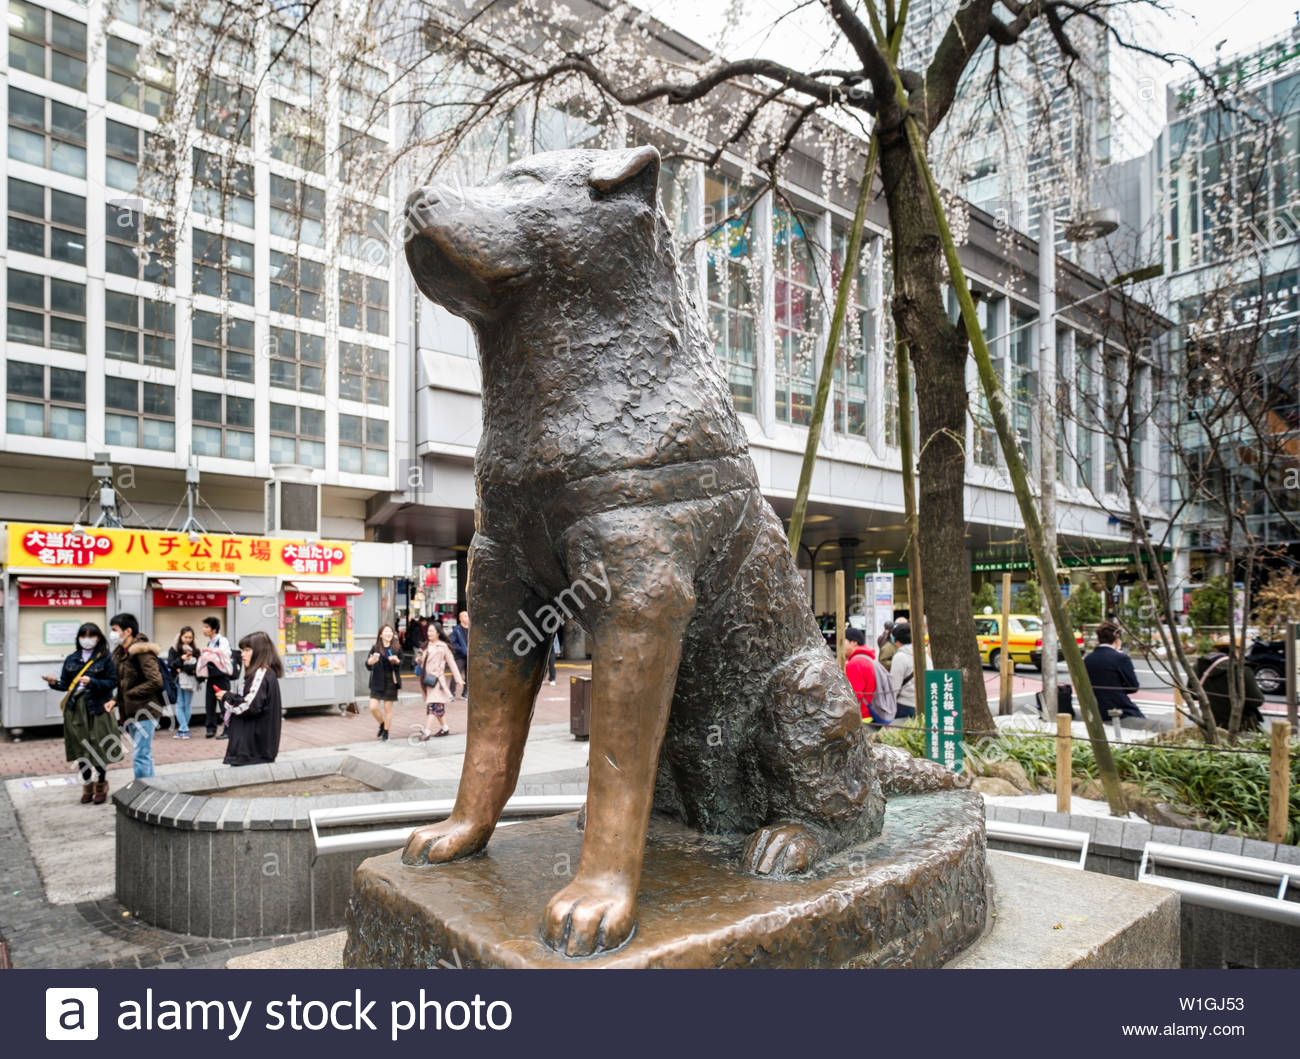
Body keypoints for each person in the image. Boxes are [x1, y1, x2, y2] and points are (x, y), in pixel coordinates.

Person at [43, 623, 118, 804]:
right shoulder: (71, 659)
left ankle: (100, 784)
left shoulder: (105, 658)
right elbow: (65, 685)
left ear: (98, 638)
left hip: (98, 707)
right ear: (78, 639)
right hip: (75, 709)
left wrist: (93, 682)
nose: (87, 639)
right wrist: (54, 683)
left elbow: (112, 682)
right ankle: (87, 786)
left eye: (91, 636)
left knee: (99, 746)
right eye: (83, 636)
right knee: (81, 747)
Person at [107, 613, 164, 779]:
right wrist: (115, 700)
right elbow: (123, 683)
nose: (112, 634)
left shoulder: (142, 651)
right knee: (143, 753)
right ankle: (152, 787)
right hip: (130, 710)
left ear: (128, 631)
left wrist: (130, 694)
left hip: (146, 709)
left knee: (140, 754)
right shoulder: (119, 652)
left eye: (115, 630)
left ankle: (143, 791)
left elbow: (156, 681)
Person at [1083, 621, 1169, 731]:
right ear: (1117, 638)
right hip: (1121, 710)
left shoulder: (1088, 659)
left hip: (1097, 710)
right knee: (1158, 728)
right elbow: (1133, 687)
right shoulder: (1120, 658)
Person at [214, 631, 284, 765]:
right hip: (252, 750)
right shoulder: (262, 673)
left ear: (259, 652)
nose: (242, 654)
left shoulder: (261, 673)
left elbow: (248, 706)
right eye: (242, 650)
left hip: (253, 750)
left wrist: (227, 696)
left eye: (247, 650)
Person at [1196, 645, 1264, 732]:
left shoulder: (1200, 667)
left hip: (1211, 723)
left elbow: (1192, 694)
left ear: (1217, 649)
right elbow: (1257, 701)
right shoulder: (1242, 670)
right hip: (1242, 726)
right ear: (1236, 651)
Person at [418, 624, 464, 739]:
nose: (430, 633)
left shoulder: (443, 646)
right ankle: (445, 728)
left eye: (432, 631)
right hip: (427, 680)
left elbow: (452, 663)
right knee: (437, 706)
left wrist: (458, 679)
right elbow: (421, 662)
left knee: (433, 706)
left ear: (438, 633)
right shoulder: (425, 646)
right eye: (428, 631)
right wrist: (419, 658)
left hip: (437, 682)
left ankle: (427, 732)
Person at [196, 616, 233, 739]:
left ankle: (228, 729)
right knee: (210, 704)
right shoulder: (210, 642)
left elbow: (224, 655)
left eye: (206, 627)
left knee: (224, 704)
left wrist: (207, 654)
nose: (204, 629)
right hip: (211, 677)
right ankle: (210, 729)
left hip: (221, 677)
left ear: (214, 629)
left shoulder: (222, 640)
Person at [366, 623, 403, 740]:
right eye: (386, 631)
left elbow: (401, 663)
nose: (388, 633)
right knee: (373, 707)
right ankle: (382, 723)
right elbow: (368, 664)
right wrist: (370, 662)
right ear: (381, 635)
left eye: (390, 631)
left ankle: (386, 731)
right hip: (377, 680)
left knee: (388, 708)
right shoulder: (375, 648)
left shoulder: (397, 647)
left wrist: (396, 661)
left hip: (390, 680)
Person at [167, 627, 199, 739]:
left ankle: (183, 730)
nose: (188, 639)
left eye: (190, 637)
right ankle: (184, 729)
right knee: (180, 703)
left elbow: (198, 667)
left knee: (187, 704)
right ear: (181, 636)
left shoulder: (196, 651)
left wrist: (183, 668)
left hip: (190, 680)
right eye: (186, 637)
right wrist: (181, 659)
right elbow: (171, 664)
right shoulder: (174, 649)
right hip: (178, 680)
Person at [843, 627, 878, 722]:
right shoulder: (868, 658)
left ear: (854, 642)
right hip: (872, 712)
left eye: (843, 641)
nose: (840, 645)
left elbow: (853, 696)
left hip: (862, 717)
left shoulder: (854, 664)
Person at [889, 623, 920, 720]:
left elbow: (894, 687)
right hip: (921, 704)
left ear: (897, 640)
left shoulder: (900, 657)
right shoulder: (923, 654)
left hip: (904, 704)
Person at [449, 610, 470, 692]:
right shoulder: (457, 629)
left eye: (467, 616)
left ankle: (465, 693)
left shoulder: (472, 629)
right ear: (460, 618)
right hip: (460, 656)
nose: (467, 617)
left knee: (468, 676)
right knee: (456, 673)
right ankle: (452, 692)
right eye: (464, 616)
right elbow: (453, 643)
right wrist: (462, 649)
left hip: (469, 656)